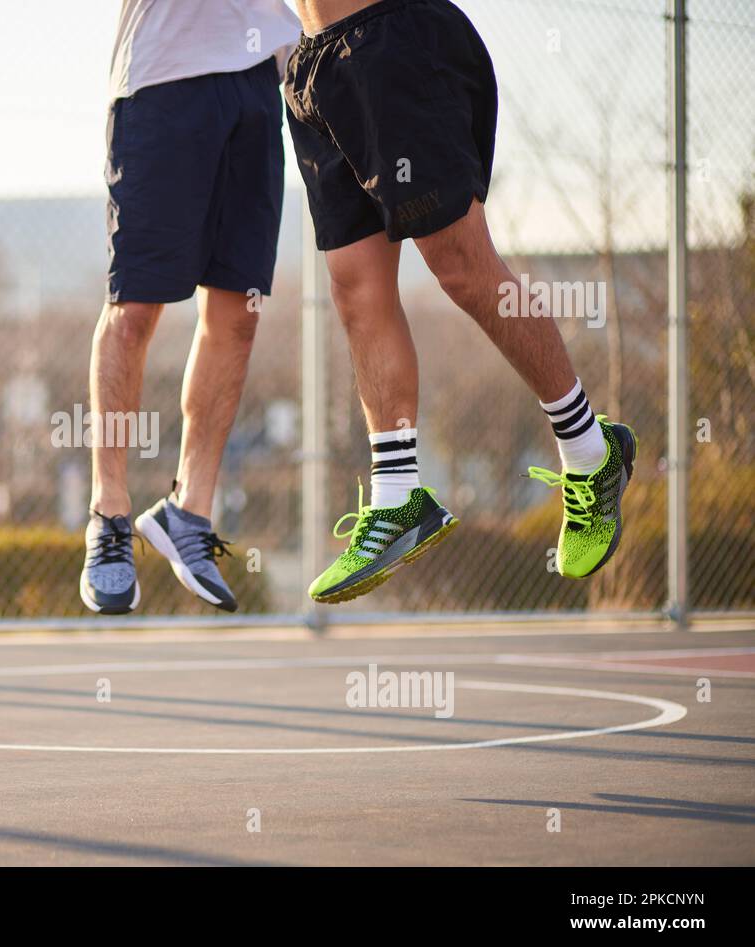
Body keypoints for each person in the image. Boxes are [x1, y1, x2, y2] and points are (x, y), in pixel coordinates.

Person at [284, 0, 637, 602]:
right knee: (354, 287)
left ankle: (588, 449)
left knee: (463, 267)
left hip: (390, 37)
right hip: (312, 67)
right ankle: (398, 498)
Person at [81, 0, 301, 615]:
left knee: (238, 315)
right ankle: (110, 514)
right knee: (134, 309)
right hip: (162, 78)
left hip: (261, 80)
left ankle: (189, 511)